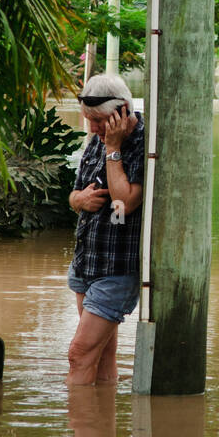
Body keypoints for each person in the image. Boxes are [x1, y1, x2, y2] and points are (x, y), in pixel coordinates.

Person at [65, 72, 145, 385]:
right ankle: (97, 425)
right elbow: (73, 196)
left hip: (117, 269)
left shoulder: (140, 143)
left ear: (123, 110)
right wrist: (80, 200)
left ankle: (75, 425)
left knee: (79, 353)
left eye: (98, 120)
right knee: (99, 357)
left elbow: (124, 201)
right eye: (88, 120)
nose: (94, 128)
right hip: (86, 263)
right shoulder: (95, 141)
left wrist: (114, 147)